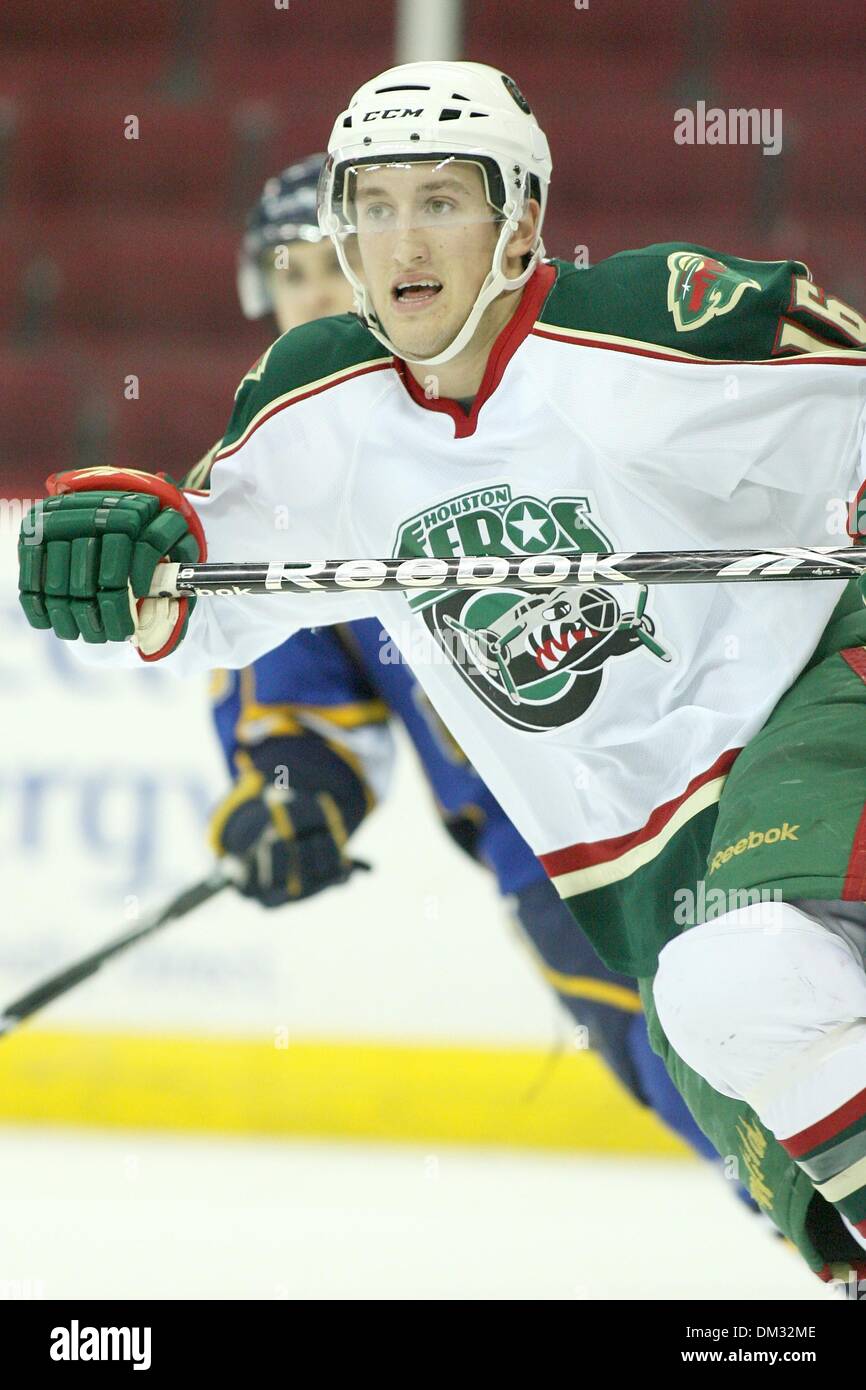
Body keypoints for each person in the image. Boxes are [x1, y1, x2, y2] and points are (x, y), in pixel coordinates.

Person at [19, 60, 866, 1285]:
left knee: (742, 962)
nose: (401, 237)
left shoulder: (650, 319)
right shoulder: (317, 404)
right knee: (733, 1025)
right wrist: (130, 563)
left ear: (519, 223)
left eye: (440, 200)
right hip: (628, 870)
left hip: (813, 702)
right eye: (370, 206)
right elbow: (207, 585)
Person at [210, 155, 722, 1157]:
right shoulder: (287, 486)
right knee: (688, 1083)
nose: (314, 291)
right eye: (288, 270)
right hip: (540, 846)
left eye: (331, 261)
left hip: (696, 780)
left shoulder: (529, 391)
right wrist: (291, 798)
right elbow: (299, 709)